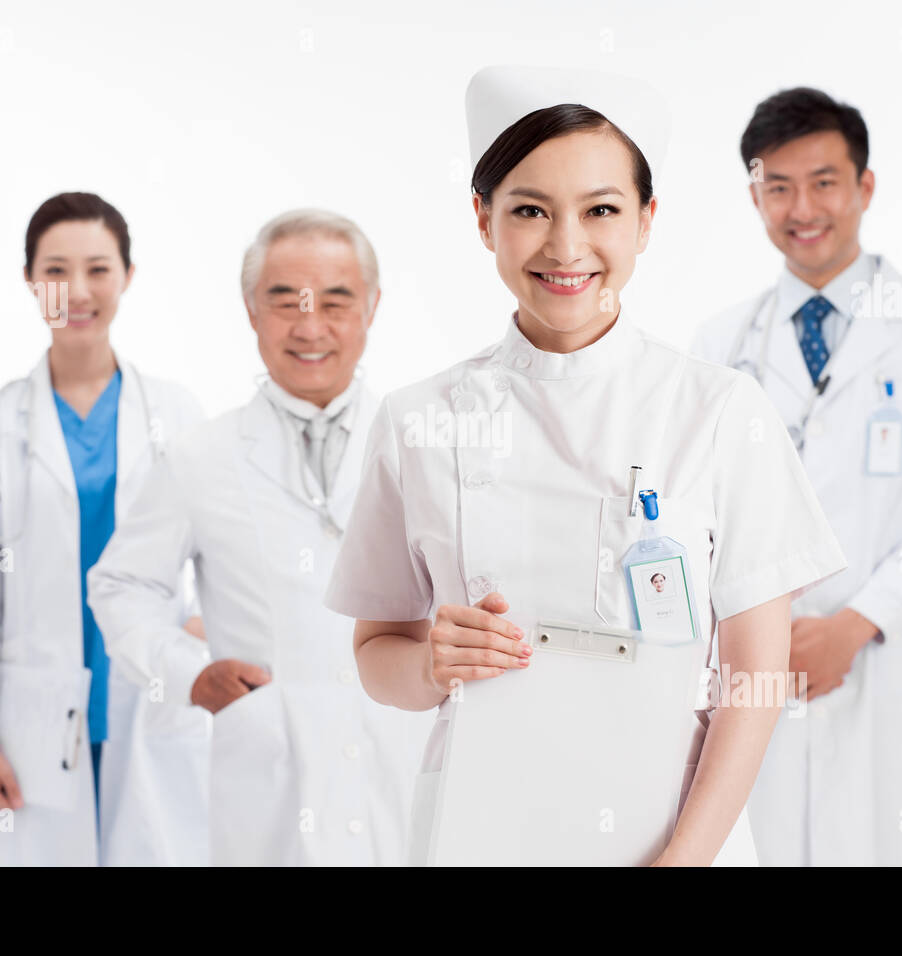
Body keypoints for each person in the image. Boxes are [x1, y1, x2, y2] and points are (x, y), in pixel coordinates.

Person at [324, 65, 848, 866]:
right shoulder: (420, 419)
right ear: (482, 219)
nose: (566, 247)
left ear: (644, 221)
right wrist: (430, 663)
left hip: (669, 834)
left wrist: (683, 859)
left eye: (600, 209)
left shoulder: (718, 412)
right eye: (529, 210)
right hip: (477, 826)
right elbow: (375, 657)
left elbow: (755, 680)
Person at [691, 88, 902, 866]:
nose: (803, 208)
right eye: (778, 186)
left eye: (824, 181)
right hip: (769, 665)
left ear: (864, 187)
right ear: (754, 196)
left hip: (894, 655)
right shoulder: (719, 344)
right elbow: (701, 516)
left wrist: (855, 623)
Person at [89, 209, 431, 866]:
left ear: (372, 307)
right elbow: (120, 584)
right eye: (284, 302)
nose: (309, 326)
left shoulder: (424, 447)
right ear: (251, 311)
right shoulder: (200, 457)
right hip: (271, 781)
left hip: (402, 769)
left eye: (336, 301)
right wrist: (188, 674)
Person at [0, 192, 211, 866]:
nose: (78, 291)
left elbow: (226, 553)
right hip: (30, 715)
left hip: (151, 698)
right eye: (56, 270)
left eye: (98, 268)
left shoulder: (176, 414)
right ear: (32, 282)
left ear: (127, 277)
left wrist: (200, 629)